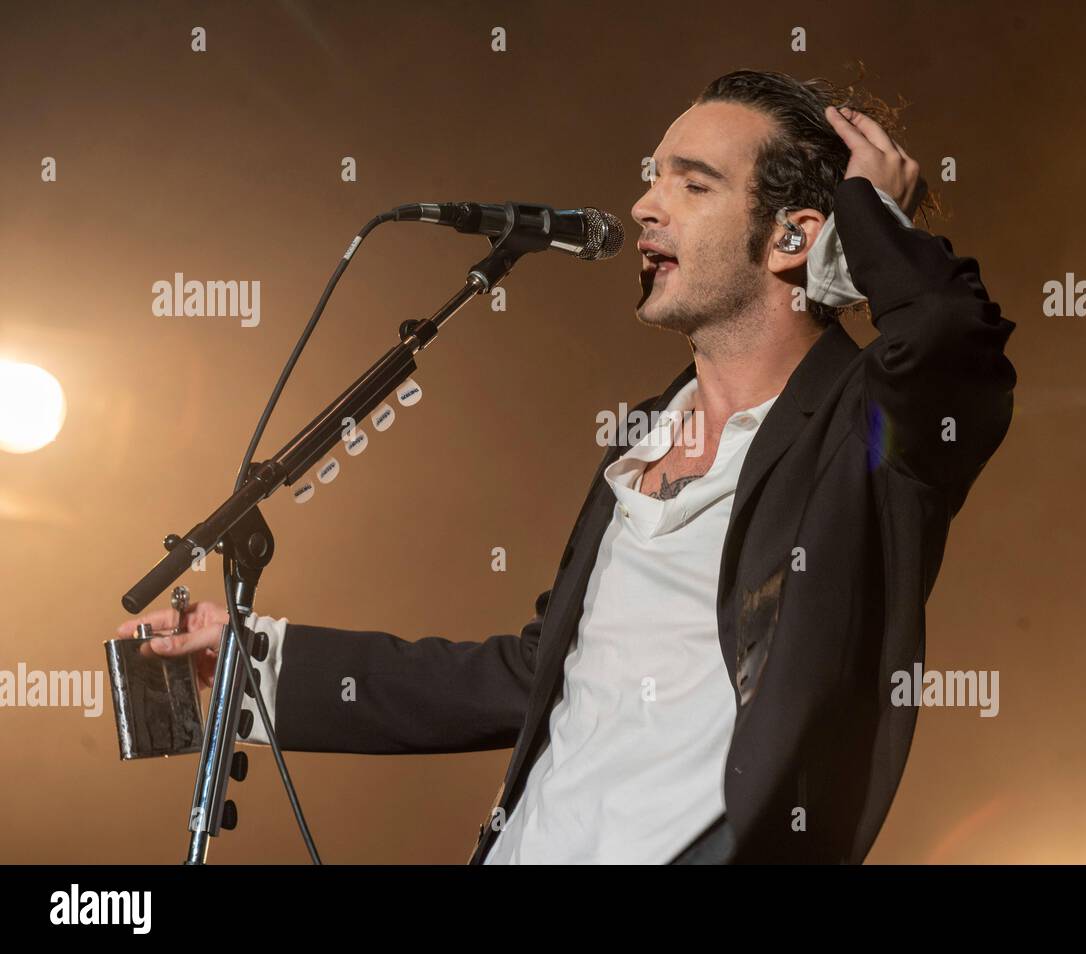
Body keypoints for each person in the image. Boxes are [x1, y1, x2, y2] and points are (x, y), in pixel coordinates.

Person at [116, 69, 1017, 864]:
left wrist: (872, 216)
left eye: (692, 184)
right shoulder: (643, 436)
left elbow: (950, 341)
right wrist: (255, 660)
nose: (644, 207)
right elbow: (534, 674)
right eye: (652, 176)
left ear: (795, 238)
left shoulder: (868, 435)